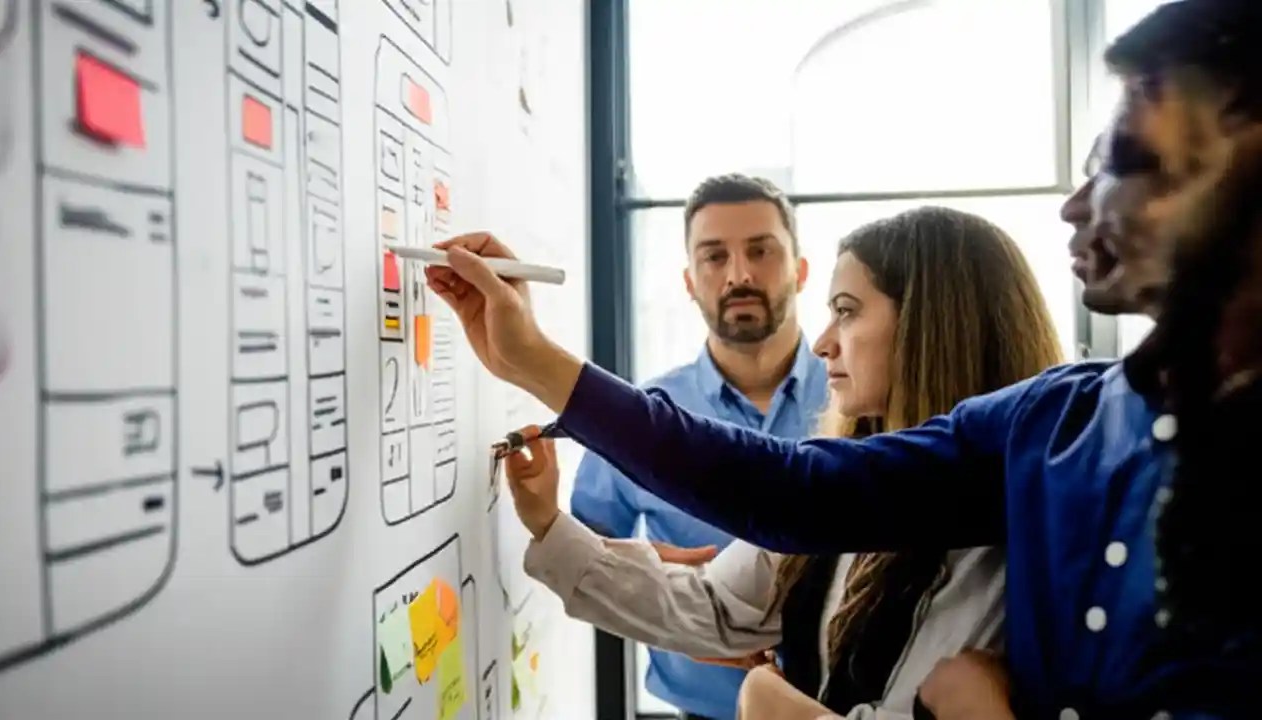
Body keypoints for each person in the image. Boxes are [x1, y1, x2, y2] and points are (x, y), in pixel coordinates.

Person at [425, 2, 1262, 715]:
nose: (1075, 208)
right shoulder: (1051, 424)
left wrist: (775, 704)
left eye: (1123, 161)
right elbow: (794, 495)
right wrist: (534, 363)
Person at [503, 207, 1063, 719]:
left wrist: (769, 702)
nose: (823, 344)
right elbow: (716, 607)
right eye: (714, 255)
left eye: (846, 312)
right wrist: (550, 527)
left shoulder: (1006, 540)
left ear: (931, 327)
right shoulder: (852, 489)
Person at [569, 173, 828, 720]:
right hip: (699, 711)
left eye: (761, 251)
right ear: (690, 280)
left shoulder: (861, 395)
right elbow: (583, 550)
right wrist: (649, 575)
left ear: (800, 270)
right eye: (714, 257)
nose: (739, 274)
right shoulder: (642, 418)